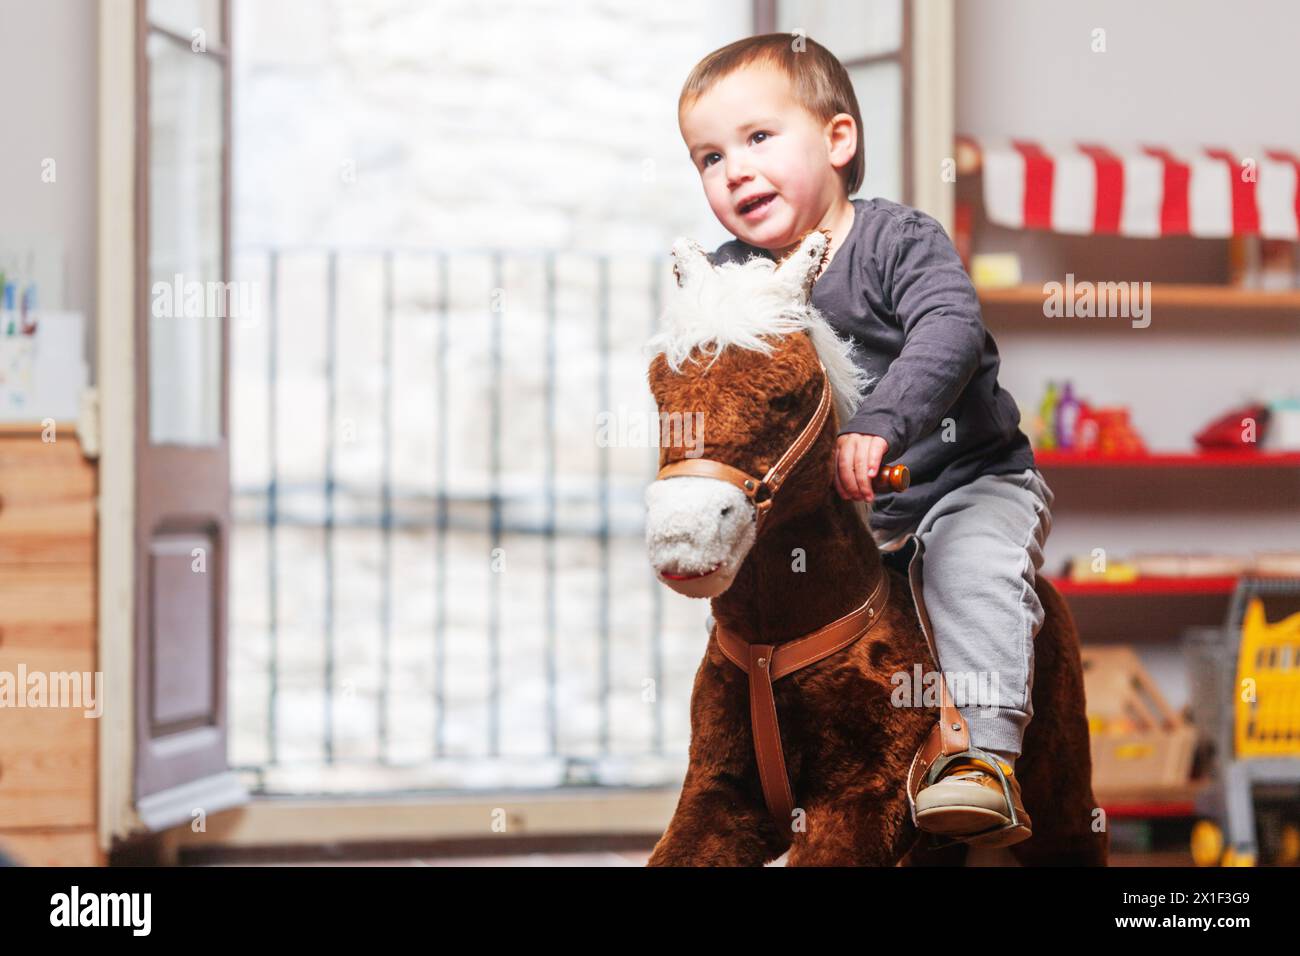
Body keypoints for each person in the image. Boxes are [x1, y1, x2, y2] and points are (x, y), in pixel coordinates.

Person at [679, 33, 1054, 847]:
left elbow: (950, 329)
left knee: (970, 568)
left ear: (839, 140)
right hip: (845, 517)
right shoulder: (734, 279)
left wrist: (883, 420)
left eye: (758, 138)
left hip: (962, 481)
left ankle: (982, 759)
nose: (733, 170)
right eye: (709, 157)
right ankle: (750, 770)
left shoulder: (896, 242)